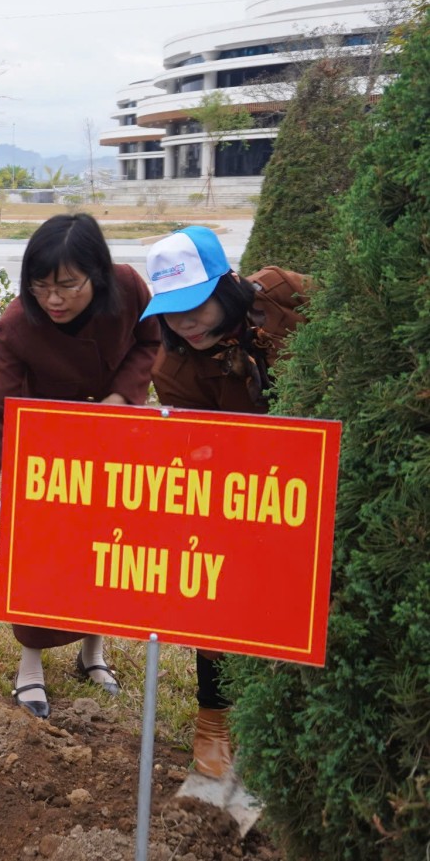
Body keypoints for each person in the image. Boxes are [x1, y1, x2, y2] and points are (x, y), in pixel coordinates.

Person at [0, 213, 161, 718]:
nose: (54, 300)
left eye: (68, 285)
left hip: (113, 437)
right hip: (47, 446)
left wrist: (119, 396)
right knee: (42, 556)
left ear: (98, 275)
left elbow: (151, 343)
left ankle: (93, 651)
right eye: (41, 286)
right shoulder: (17, 324)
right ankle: (31, 666)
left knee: (104, 547)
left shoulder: (131, 288)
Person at [140, 225, 311, 778]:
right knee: (214, 588)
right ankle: (214, 718)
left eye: (196, 304)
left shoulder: (285, 293)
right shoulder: (175, 369)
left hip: (320, 471)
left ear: (227, 285)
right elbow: (202, 451)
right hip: (245, 490)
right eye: (170, 311)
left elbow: (355, 332)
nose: (183, 323)